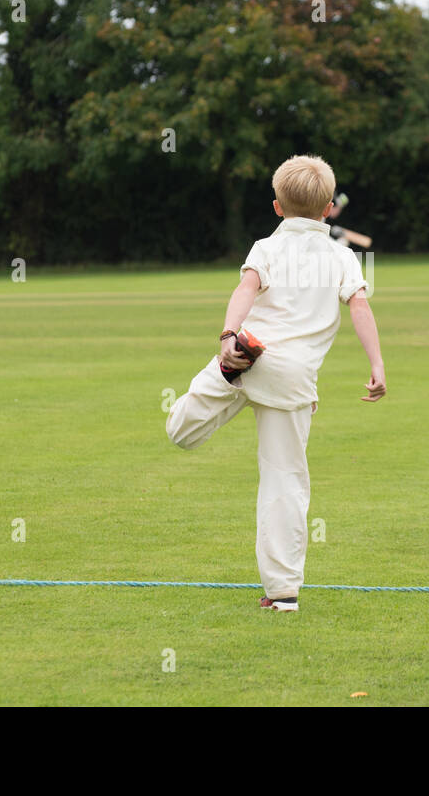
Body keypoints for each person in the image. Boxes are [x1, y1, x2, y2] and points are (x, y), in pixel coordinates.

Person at [165, 155, 386, 612]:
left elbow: (245, 290)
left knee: (180, 433)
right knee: (284, 482)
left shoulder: (264, 246)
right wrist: (377, 365)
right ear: (328, 209)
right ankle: (283, 593)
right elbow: (359, 308)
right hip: (292, 379)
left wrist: (228, 338)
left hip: (246, 354)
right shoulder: (342, 255)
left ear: (276, 207)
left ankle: (229, 370)